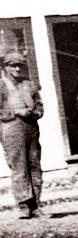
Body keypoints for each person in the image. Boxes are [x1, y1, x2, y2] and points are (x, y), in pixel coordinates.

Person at [0, 52, 44, 219]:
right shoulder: (2, 85)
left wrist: (37, 112)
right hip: (11, 127)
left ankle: (36, 204)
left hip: (31, 127)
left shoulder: (29, 84)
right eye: (13, 65)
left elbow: (39, 103)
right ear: (6, 67)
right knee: (19, 166)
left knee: (34, 163)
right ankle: (24, 205)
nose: (17, 69)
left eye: (20, 65)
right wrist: (16, 112)